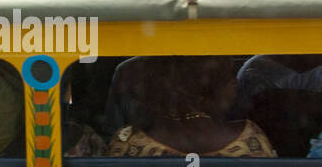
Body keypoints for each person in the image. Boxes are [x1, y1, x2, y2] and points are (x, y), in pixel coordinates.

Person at [105, 56, 276, 158]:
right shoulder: (251, 138)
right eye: (228, 78)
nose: (236, 83)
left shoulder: (129, 140)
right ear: (206, 91)